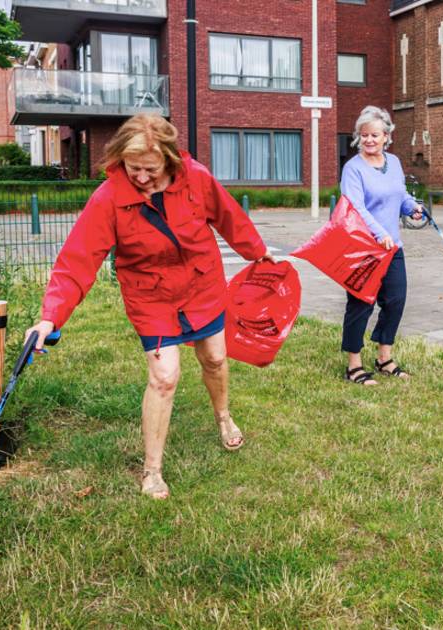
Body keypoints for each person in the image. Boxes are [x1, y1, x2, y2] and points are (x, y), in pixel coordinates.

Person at [24, 114, 272, 499]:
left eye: (150, 169)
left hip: (201, 285)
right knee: (164, 376)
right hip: (150, 295)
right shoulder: (108, 197)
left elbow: (230, 218)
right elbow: (77, 262)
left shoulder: (196, 178)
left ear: (169, 160)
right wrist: (49, 317)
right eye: (132, 167)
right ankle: (152, 470)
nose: (140, 177)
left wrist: (258, 254)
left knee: (214, 358)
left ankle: (223, 417)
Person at [338, 106, 424, 385]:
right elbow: (355, 207)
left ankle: (384, 358)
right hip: (364, 247)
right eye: (364, 135)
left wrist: (412, 207)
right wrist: (378, 233)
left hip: (392, 247)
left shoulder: (394, 162)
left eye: (374, 135)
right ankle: (354, 365)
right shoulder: (353, 169)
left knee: (396, 301)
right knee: (360, 304)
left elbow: (399, 195)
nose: (369, 140)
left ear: (386, 136)